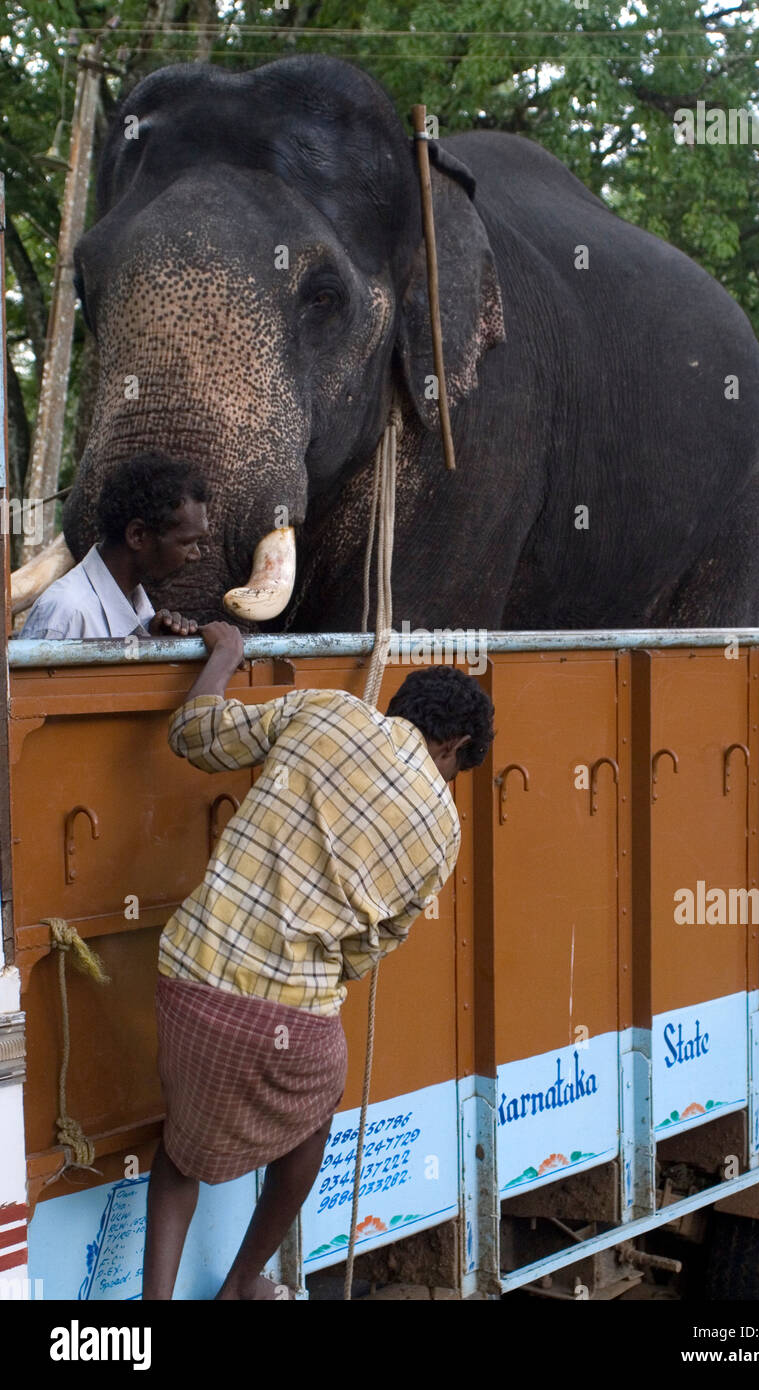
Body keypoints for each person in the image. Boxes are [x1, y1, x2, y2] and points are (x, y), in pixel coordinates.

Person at [143, 622, 496, 1300]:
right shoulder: (444, 831)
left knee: (179, 1151)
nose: (448, 781)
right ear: (451, 747)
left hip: (191, 983)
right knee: (315, 1114)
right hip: (294, 1025)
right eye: (456, 769)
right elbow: (369, 951)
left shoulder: (328, 709)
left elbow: (195, 733)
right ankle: (243, 1281)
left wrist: (225, 655)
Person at [18, 454, 209, 640]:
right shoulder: (66, 615)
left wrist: (154, 641)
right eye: (186, 542)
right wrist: (223, 659)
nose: (196, 555)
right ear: (137, 535)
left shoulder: (140, 607)